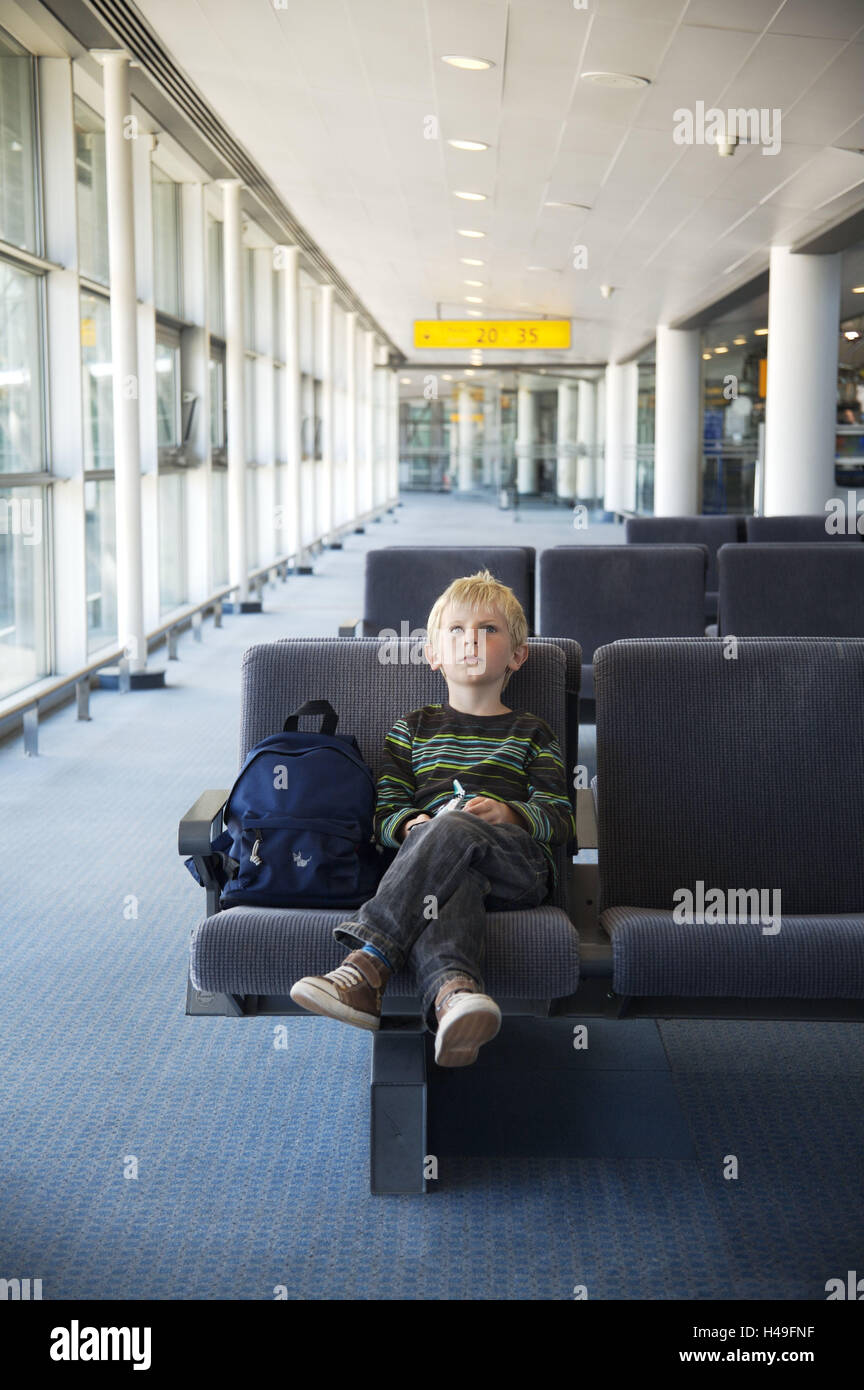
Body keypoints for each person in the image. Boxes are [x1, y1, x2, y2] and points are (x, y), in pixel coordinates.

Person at [290, 569, 576, 1067]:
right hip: (438, 871)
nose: (472, 640)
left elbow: (560, 817)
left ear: (517, 655)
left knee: (454, 829)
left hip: (518, 868)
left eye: (489, 630)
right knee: (453, 874)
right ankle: (454, 997)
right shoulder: (413, 730)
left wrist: (508, 812)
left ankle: (366, 965)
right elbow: (385, 811)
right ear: (433, 653)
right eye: (458, 631)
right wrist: (410, 827)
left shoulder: (533, 732)